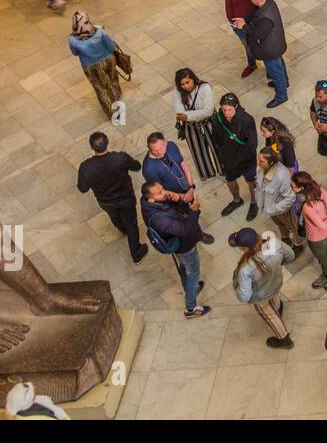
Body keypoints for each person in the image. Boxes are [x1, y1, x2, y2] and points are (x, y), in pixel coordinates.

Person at [140, 180, 211, 319]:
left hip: (180, 245)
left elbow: (175, 212)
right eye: (160, 192)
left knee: (184, 268)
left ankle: (193, 288)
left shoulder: (149, 204)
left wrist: (177, 199)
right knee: (193, 272)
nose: (164, 192)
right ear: (151, 198)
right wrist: (194, 211)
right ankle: (190, 308)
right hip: (184, 246)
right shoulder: (159, 219)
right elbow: (186, 230)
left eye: (163, 188)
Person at [76, 132, 147, 263]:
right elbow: (137, 166)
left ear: (92, 148)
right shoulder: (120, 158)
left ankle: (122, 229)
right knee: (132, 224)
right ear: (107, 143)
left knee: (115, 217)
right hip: (125, 198)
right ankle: (136, 252)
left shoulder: (86, 167)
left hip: (106, 202)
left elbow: (83, 188)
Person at [229, 227, 294, 349]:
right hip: (276, 282)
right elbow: (290, 256)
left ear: (244, 248)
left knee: (269, 314)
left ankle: (284, 339)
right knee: (274, 295)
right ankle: (278, 308)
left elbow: (245, 296)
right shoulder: (275, 244)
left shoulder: (246, 268)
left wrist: (237, 289)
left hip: (261, 296)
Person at [234, 0, 288, 108]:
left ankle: (281, 95)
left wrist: (243, 26)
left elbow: (257, 33)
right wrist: (245, 20)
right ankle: (284, 83)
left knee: (275, 71)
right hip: (276, 43)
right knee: (279, 65)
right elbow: (255, 18)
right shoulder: (268, 2)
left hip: (270, 49)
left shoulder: (265, 17)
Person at [294, 172, 327, 291]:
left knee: (324, 258)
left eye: (293, 186)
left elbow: (322, 224)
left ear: (302, 188)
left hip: (316, 238)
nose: (291, 188)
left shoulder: (307, 206)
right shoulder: (319, 189)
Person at [210, 93, 258, 217]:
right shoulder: (217, 118)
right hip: (228, 159)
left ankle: (254, 201)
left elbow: (252, 144)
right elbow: (216, 138)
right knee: (230, 181)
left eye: (229, 109)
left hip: (246, 160)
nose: (226, 112)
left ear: (236, 107)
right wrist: (222, 153)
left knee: (251, 182)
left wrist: (240, 158)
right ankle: (237, 200)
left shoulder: (247, 120)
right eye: (223, 109)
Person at [68, 10, 121, 116]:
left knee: (100, 88)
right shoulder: (100, 32)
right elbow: (111, 46)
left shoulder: (72, 40)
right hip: (108, 60)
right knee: (112, 78)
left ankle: (111, 112)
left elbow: (75, 53)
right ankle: (116, 95)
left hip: (90, 66)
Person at [256, 147, 302, 251]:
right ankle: (285, 237)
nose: (258, 162)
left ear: (271, 162)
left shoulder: (281, 175)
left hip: (282, 209)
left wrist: (275, 208)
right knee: (279, 223)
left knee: (293, 226)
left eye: (261, 161)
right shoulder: (260, 169)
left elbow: (290, 197)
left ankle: (298, 243)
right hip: (269, 206)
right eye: (258, 159)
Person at [224, 0, 260, 78]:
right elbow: (228, 6)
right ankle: (252, 65)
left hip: (255, 25)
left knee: (263, 46)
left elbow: (262, 6)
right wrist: (232, 22)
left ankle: (269, 69)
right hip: (239, 27)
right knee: (248, 47)